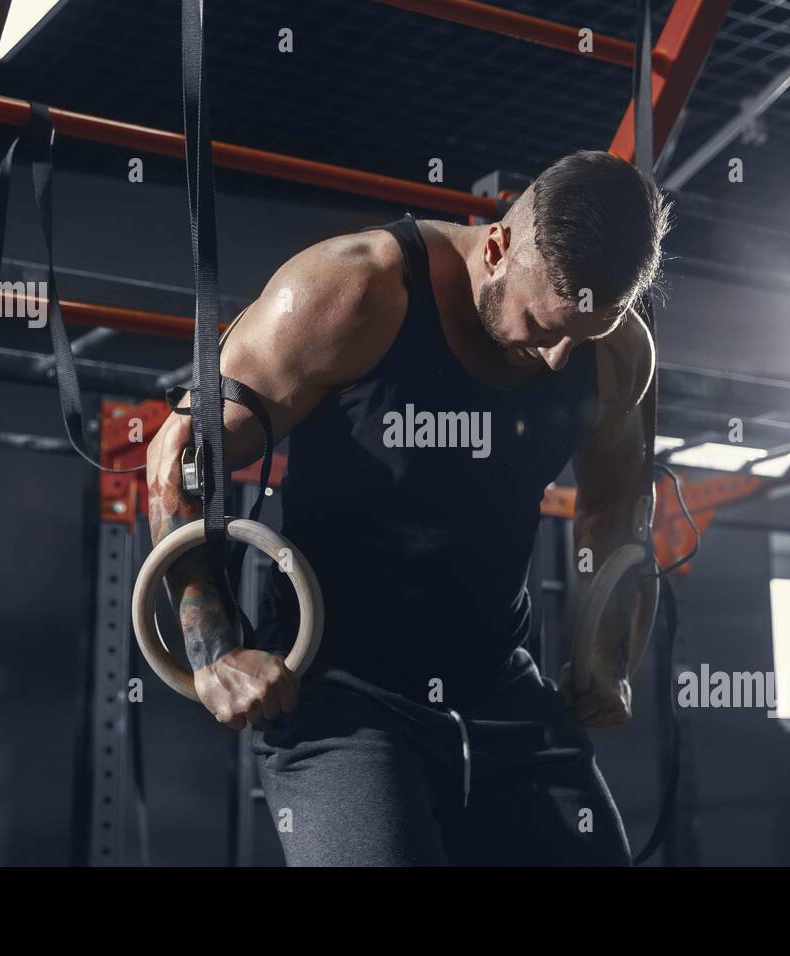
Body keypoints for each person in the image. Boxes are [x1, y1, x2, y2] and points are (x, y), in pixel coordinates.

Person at [146, 149, 669, 865]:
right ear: (496, 248)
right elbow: (181, 461)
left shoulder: (617, 354)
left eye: (584, 334)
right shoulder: (351, 292)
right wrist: (214, 648)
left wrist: (603, 649)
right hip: (340, 692)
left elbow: (613, 497)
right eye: (543, 327)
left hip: (500, 686)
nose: (557, 359)